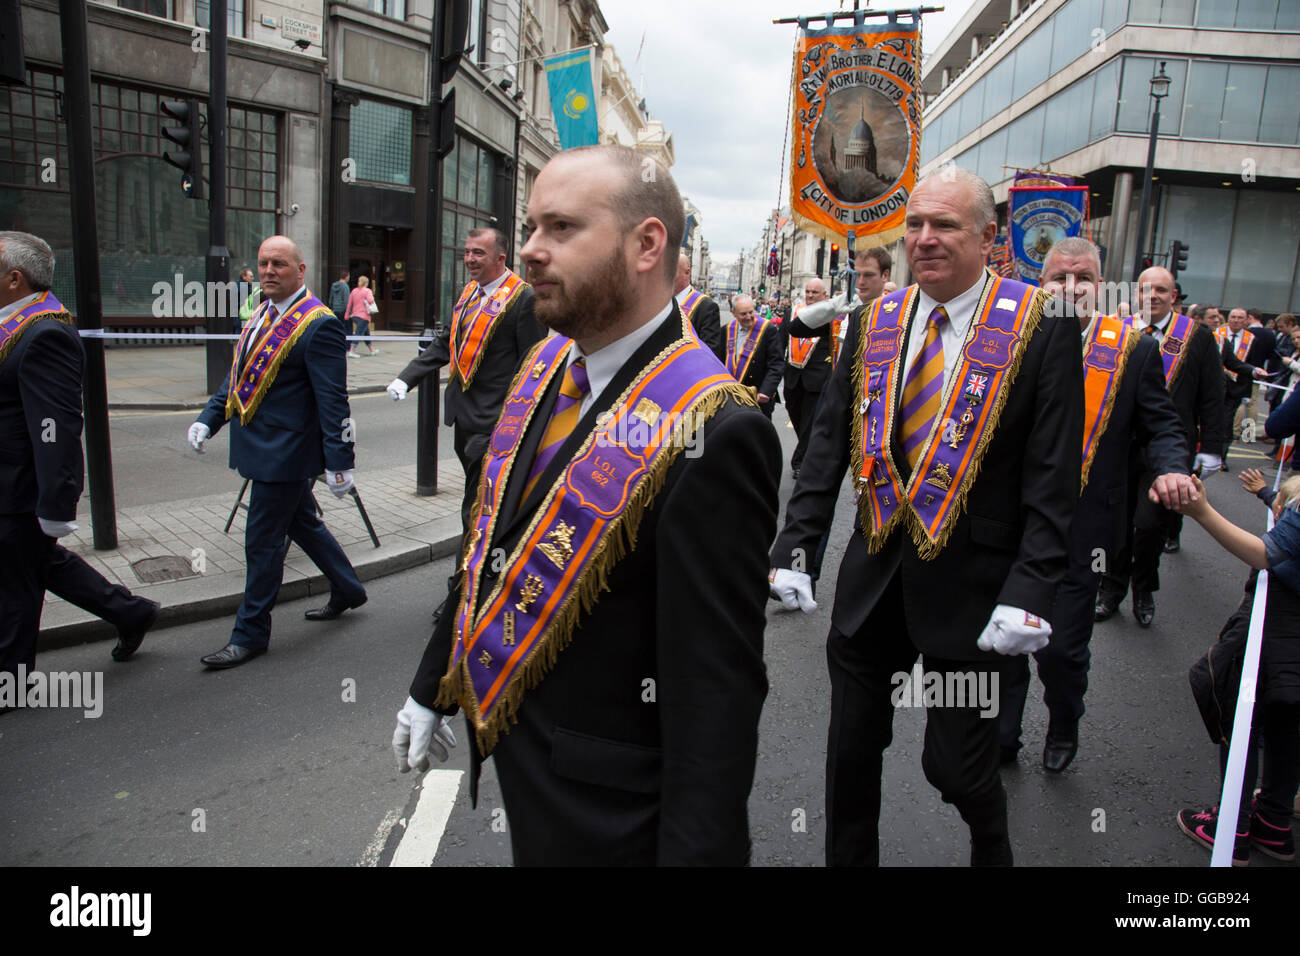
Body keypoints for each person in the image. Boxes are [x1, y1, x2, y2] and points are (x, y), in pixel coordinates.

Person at [391, 145, 781, 865]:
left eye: (562, 228)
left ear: (646, 244)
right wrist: (431, 685)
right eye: (532, 228)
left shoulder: (715, 430)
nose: (532, 252)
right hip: (527, 771)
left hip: (613, 820)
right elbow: (489, 549)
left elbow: (713, 697)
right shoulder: (545, 367)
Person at [769, 168, 1084, 866]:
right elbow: (827, 446)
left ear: (988, 237)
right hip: (873, 581)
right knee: (849, 756)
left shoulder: (1041, 326)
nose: (925, 239)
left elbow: (1053, 476)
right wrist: (797, 548)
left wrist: (1031, 590)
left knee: (957, 769)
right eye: (915, 225)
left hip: (975, 595)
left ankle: (991, 849)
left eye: (944, 225)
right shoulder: (874, 323)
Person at [998, 238, 1192, 772]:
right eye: (1058, 278)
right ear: (1042, 285)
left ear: (1100, 286)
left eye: (1081, 278)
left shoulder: (1133, 350)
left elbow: (1162, 425)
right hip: (1009, 523)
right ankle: (1003, 734)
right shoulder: (1010, 342)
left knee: (1060, 652)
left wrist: (1173, 466)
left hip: (1082, 531)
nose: (1069, 288)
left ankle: (1064, 722)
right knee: (1001, 637)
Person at [186, 236, 366, 670]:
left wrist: (340, 461)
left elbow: (333, 400)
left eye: (279, 264)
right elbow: (237, 379)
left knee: (262, 544)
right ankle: (348, 588)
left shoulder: (319, 324)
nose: (268, 271)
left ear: (300, 271)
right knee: (303, 523)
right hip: (260, 447)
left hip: (285, 455)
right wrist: (208, 418)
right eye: (264, 263)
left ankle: (249, 634)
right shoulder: (261, 314)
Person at [1172, 472, 1300, 865]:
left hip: (1273, 630)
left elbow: (1267, 552)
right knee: (1288, 730)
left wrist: (1202, 512)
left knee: (1241, 720)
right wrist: (1268, 494)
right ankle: (1275, 825)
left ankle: (1232, 826)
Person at [385, 228, 545, 534]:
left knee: (475, 501)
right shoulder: (469, 292)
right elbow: (445, 343)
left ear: (500, 258)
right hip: (463, 416)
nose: (470, 259)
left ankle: (464, 574)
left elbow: (531, 365)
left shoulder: (524, 298)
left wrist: (520, 421)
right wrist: (406, 379)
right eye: (468, 252)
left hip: (494, 422)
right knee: (483, 498)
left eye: (478, 253)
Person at [1096, 267, 1226, 626]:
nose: (1153, 296)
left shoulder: (1196, 337)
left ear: (1174, 297)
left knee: (1150, 525)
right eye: (1146, 289)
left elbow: (1212, 396)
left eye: (1162, 291)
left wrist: (1212, 447)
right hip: (1118, 448)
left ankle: (1145, 589)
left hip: (1166, 449)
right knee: (1115, 525)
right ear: (1136, 293)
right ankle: (1111, 588)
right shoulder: (1116, 332)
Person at [0, 232, 88, 681]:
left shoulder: (45, 332)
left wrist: (57, 503)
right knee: (36, 566)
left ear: (14, 279)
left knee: (16, 586)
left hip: (19, 488)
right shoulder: (11, 322)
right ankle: (130, 614)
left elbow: (57, 427)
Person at [781, 277, 835, 478]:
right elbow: (781, 343)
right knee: (797, 419)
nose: (811, 295)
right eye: (809, 292)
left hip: (818, 380)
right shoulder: (793, 313)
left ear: (824, 295)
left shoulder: (831, 316)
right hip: (793, 378)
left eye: (815, 292)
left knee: (810, 423)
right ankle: (808, 452)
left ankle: (800, 462)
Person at [1215, 307, 1270, 464]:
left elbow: (1248, 365)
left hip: (1236, 388)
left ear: (1246, 320)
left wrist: (1247, 390)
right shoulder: (1218, 335)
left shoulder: (1252, 339)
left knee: (1228, 422)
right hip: (1215, 386)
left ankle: (1225, 454)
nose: (1236, 320)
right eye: (1233, 317)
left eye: (1240, 318)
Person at [726, 293, 783, 419]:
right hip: (731, 397)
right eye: (743, 314)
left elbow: (776, 364)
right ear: (733, 313)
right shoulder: (726, 330)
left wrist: (766, 391)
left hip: (758, 398)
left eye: (751, 312)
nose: (748, 317)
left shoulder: (768, 330)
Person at [674, 253, 724, 361]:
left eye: (672, 272)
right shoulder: (660, 302)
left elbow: (709, 352)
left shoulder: (706, 307)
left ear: (687, 272)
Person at [344, 275, 379, 357]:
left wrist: (346, 315)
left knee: (366, 333)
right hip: (364, 316)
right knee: (358, 333)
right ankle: (351, 351)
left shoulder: (354, 291)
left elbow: (349, 304)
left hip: (355, 316)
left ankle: (372, 350)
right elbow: (370, 301)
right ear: (366, 283)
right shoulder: (367, 291)